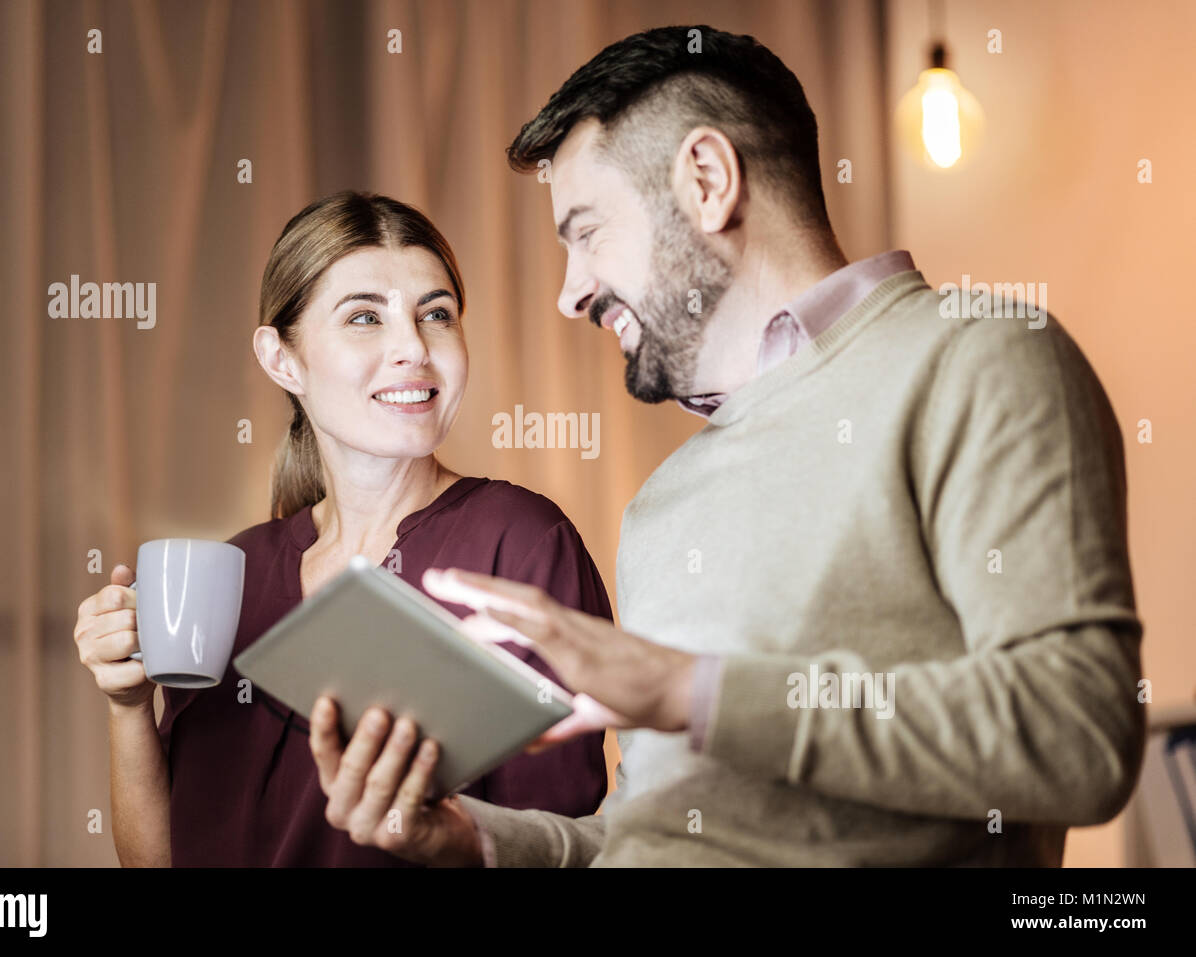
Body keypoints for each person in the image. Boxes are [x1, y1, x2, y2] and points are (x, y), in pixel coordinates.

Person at [306, 25, 1146, 867]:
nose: (569, 293)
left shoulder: (978, 357)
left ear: (707, 181)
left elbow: (1077, 733)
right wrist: (471, 838)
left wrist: (691, 688)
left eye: (587, 230)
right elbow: (647, 833)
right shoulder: (664, 501)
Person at [72, 191, 610, 866]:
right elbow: (160, 861)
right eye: (364, 317)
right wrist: (127, 705)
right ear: (280, 359)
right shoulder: (235, 575)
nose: (413, 347)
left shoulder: (522, 541)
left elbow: (563, 846)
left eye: (436, 314)